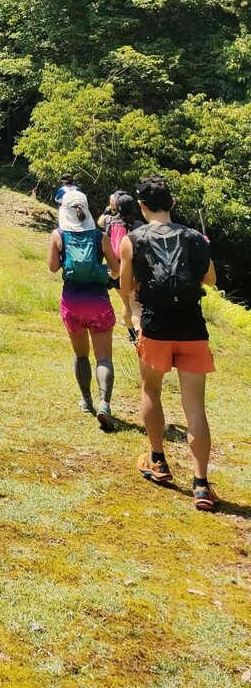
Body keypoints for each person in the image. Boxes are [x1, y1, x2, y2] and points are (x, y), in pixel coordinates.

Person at [119, 175, 218, 511]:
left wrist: (130, 313)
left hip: (155, 327)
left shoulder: (132, 240)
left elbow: (126, 284)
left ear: (142, 206)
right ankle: (201, 485)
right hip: (192, 328)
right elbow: (211, 279)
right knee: (195, 408)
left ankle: (158, 460)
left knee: (151, 391)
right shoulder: (195, 238)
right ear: (172, 203)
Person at [47, 187, 119, 430]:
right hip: (98, 301)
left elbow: (52, 267)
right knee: (104, 357)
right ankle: (104, 404)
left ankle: (86, 400)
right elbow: (116, 270)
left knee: (81, 355)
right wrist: (102, 273)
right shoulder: (100, 236)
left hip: (72, 301)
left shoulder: (58, 235)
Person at [100, 190, 140, 344]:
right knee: (134, 303)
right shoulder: (138, 225)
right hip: (131, 268)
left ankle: (131, 334)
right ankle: (137, 335)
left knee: (125, 303)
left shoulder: (108, 220)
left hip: (114, 267)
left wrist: (109, 208)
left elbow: (99, 221)